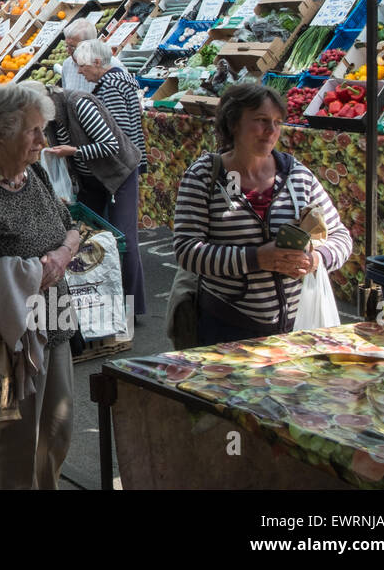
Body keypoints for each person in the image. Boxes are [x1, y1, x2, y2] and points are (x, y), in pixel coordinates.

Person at [0, 83, 80, 490]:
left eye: (44, 130)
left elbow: (70, 228)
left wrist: (62, 253)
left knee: (59, 428)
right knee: (18, 441)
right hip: (12, 338)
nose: (44, 140)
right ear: (2, 133)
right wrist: (22, 272)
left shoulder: (35, 173)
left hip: (54, 320)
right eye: (34, 131)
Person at [173, 84, 352, 345]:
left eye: (277, 122)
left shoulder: (296, 176)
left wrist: (317, 259)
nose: (271, 131)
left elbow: (341, 236)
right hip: (225, 327)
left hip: (295, 329)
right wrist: (256, 258)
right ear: (234, 123)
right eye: (260, 121)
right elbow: (187, 251)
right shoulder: (205, 176)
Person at [68, 38, 148, 317]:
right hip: (123, 168)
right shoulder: (120, 80)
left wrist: (79, 150)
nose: (80, 72)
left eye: (83, 66)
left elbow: (116, 137)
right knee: (122, 236)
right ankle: (128, 303)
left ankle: (128, 305)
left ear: (98, 63)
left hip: (119, 172)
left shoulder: (111, 86)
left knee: (123, 237)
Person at [60, 18, 124, 93]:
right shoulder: (67, 65)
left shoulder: (113, 67)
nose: (68, 51)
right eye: (67, 46)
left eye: (72, 47)